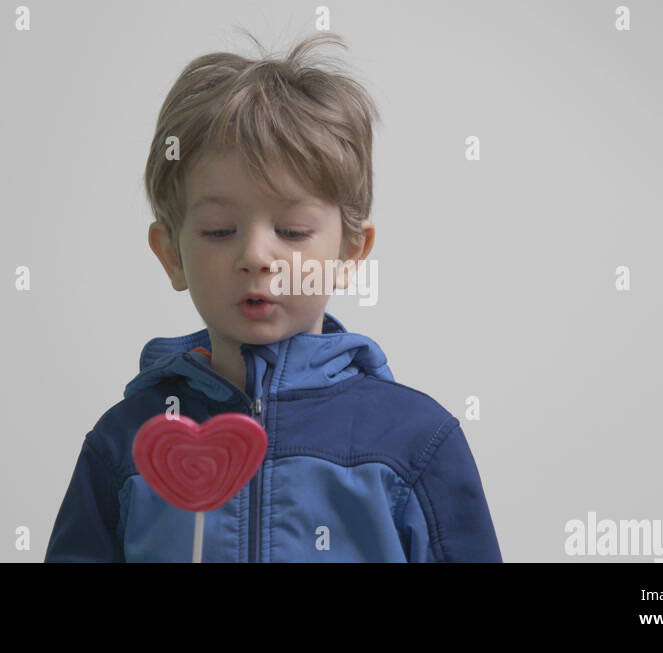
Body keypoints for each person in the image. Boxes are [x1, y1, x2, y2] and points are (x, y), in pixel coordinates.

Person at [45, 31, 502, 562]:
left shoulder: (415, 441)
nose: (256, 256)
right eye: (219, 230)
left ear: (350, 252)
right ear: (171, 253)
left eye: (291, 230)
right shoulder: (126, 443)